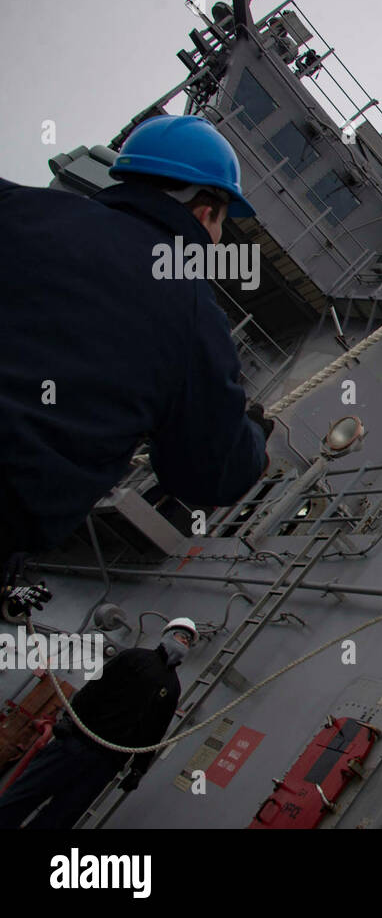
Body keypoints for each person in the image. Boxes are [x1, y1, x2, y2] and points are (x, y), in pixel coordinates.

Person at [0, 114, 271, 578]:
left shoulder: (18, 206)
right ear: (207, 209)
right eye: (223, 220)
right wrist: (251, 437)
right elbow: (207, 472)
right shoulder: (194, 315)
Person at [0, 617, 197, 828]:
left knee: (59, 818)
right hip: (76, 743)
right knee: (25, 794)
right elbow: (96, 687)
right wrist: (69, 718)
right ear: (167, 635)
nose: (184, 641)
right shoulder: (134, 657)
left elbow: (154, 731)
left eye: (188, 640)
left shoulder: (172, 687)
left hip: (105, 764)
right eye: (181, 635)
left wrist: (139, 768)